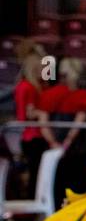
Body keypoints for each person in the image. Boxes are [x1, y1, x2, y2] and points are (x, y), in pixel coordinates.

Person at [39, 58, 86, 200]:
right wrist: (66, 144)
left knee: (55, 187)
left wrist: (53, 143)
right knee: (77, 187)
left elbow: (43, 124)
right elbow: (77, 124)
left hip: (54, 148)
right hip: (77, 149)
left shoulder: (47, 94)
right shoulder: (83, 95)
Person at [14, 49, 51, 198]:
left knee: (34, 174)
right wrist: (43, 114)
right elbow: (29, 113)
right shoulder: (29, 87)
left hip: (28, 136)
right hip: (34, 136)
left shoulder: (23, 85)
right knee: (36, 175)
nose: (45, 71)